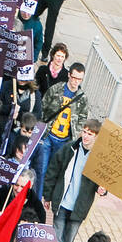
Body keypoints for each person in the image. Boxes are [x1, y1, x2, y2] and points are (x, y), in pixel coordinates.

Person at [43, 117, 106, 242]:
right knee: (56, 240)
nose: (85, 136)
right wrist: (47, 196)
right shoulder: (69, 148)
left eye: (90, 134)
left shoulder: (99, 157)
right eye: (84, 132)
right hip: (62, 203)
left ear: (97, 137)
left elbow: (102, 180)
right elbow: (53, 171)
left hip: (79, 208)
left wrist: (102, 189)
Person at [34, 62, 88, 200]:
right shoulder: (56, 89)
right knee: (41, 169)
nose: (76, 81)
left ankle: (46, 198)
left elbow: (82, 120)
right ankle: (37, 198)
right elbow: (43, 108)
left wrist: (76, 137)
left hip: (64, 141)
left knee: (54, 172)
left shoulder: (82, 98)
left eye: (79, 79)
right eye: (74, 78)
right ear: (69, 75)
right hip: (48, 136)